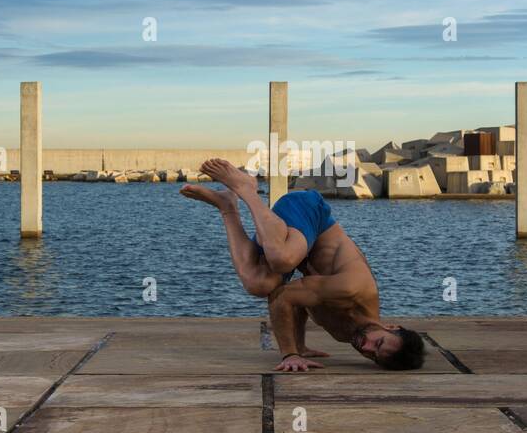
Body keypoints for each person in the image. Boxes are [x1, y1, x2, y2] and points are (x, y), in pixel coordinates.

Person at [180, 158, 426, 372]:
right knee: (281, 259)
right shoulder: (354, 289)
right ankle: (248, 190)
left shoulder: (347, 334)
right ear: (392, 327)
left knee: (259, 283)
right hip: (310, 212)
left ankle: (227, 206)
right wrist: (290, 354)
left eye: (372, 355)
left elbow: (298, 303)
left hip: (287, 240)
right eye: (379, 342)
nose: (367, 347)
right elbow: (287, 296)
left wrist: (299, 346)